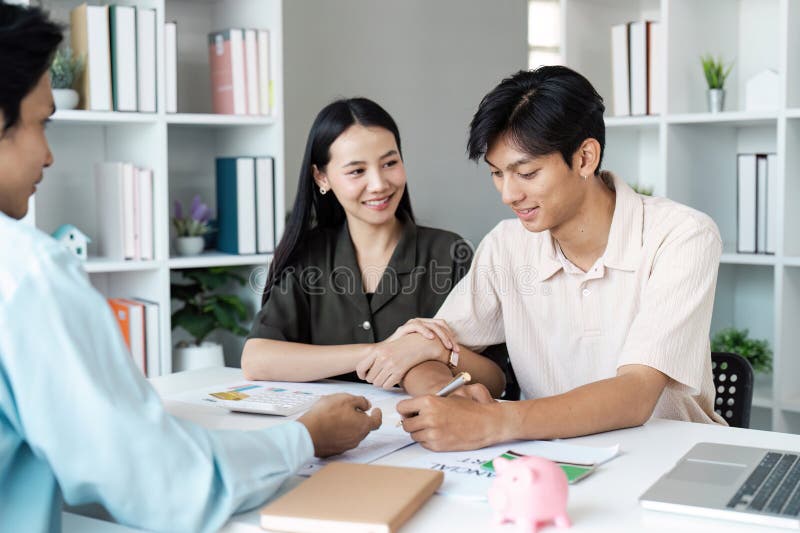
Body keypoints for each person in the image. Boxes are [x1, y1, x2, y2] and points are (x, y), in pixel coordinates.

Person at [0, 4, 381, 532]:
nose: (49, 156)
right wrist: (306, 436)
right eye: (42, 124)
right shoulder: (27, 273)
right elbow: (160, 480)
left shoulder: (445, 249)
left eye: (389, 162)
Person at [384, 66, 727, 451]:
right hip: (549, 457)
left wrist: (490, 421)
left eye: (526, 173)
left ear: (584, 158)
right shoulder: (506, 244)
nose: (508, 194)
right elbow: (426, 347)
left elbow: (636, 393)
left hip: (669, 461)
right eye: (497, 174)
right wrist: (442, 399)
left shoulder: (682, 236)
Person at [241, 97, 506, 395]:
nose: (379, 184)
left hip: (424, 432)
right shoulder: (307, 256)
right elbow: (256, 359)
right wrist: (384, 351)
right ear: (322, 177)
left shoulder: (450, 253)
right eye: (357, 171)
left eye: (390, 163)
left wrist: (433, 350)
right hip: (331, 431)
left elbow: (497, 380)